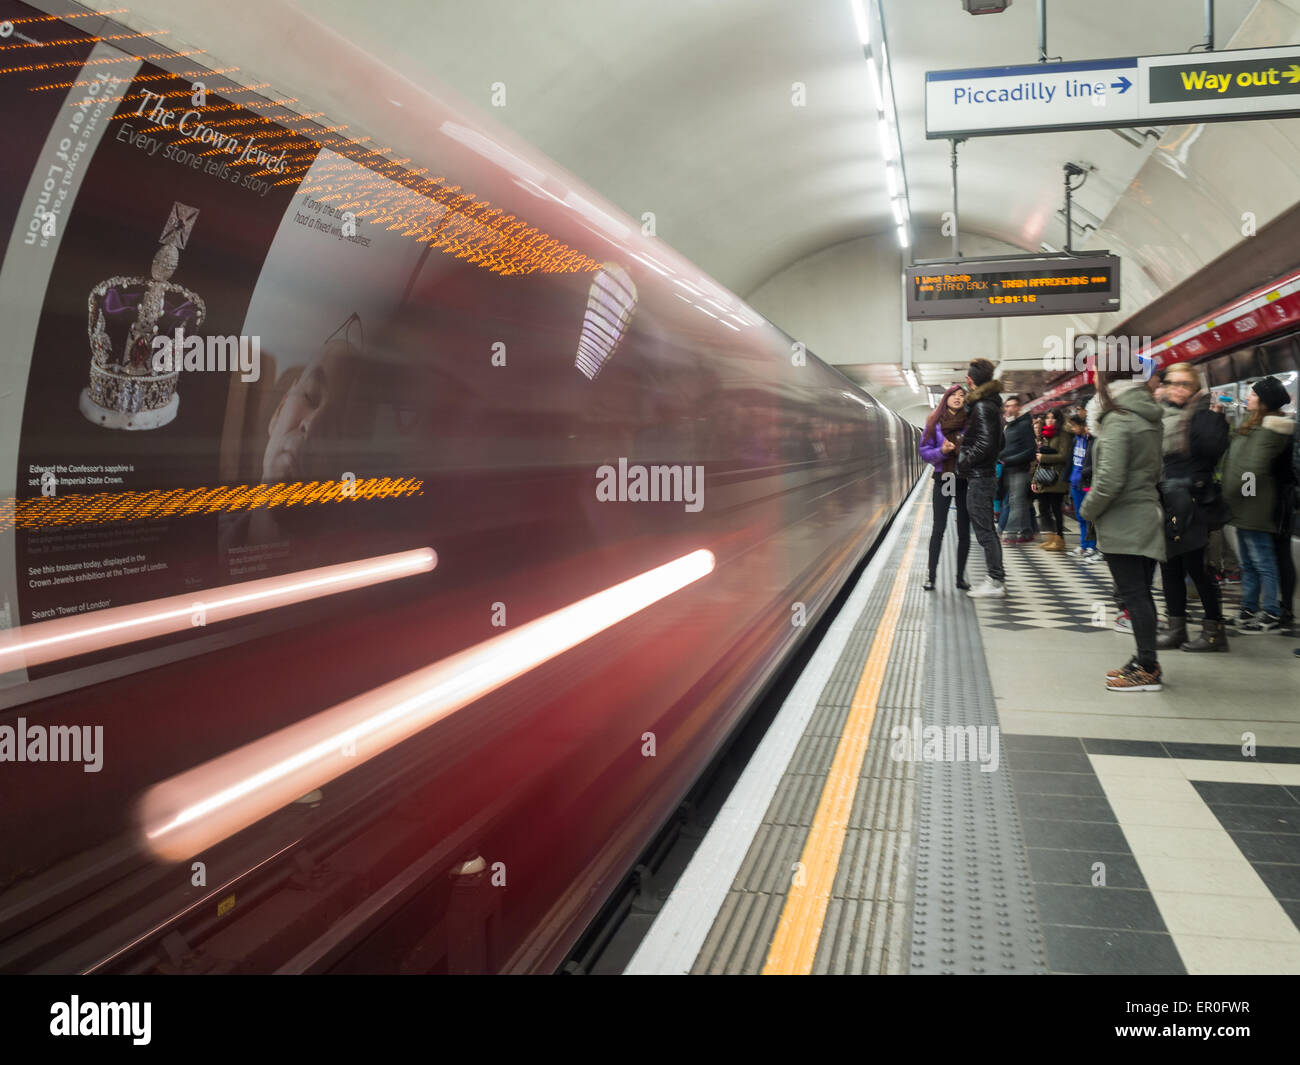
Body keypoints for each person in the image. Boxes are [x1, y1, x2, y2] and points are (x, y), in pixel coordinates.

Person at [1080, 367, 1166, 691]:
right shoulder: (1148, 416)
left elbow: (1109, 480)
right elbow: (1157, 469)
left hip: (1125, 520)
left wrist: (1087, 511)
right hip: (1145, 512)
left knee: (1135, 596)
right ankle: (1146, 661)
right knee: (1141, 594)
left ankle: (1147, 670)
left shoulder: (1119, 419)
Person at [1151, 362, 1231, 652]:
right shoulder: (1168, 415)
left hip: (1194, 502)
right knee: (1169, 565)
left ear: (1196, 388)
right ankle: (1176, 629)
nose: (1177, 388)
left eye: (1184, 384)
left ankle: (1213, 632)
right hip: (1170, 498)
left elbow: (1212, 451)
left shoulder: (1204, 415)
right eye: (1172, 382)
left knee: (1197, 568)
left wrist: (1212, 415)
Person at [1223, 376, 1295, 632]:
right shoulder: (1252, 424)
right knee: (1247, 563)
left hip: (1254, 504)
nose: (1249, 397)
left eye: (1253, 394)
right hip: (1244, 504)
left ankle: (1272, 611)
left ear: (1264, 401)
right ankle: (1249, 607)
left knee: (1263, 561)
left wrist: (1242, 493)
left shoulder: (1271, 430)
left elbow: (1253, 468)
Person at [956, 359, 1006, 598]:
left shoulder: (983, 407)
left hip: (980, 476)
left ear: (970, 381)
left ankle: (996, 580)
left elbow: (986, 444)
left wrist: (964, 459)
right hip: (984, 474)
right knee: (986, 528)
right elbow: (1000, 442)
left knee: (985, 529)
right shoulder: (992, 405)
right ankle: (995, 577)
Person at [917, 384, 970, 591]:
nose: (958, 398)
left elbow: (977, 447)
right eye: (954, 395)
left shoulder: (970, 423)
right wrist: (942, 451)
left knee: (964, 529)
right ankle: (931, 576)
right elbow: (924, 452)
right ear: (946, 398)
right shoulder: (934, 422)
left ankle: (960, 578)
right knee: (939, 527)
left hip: (964, 478)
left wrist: (963, 450)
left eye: (962, 395)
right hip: (946, 477)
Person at [1029, 408, 1070, 551]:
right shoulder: (1046, 435)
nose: (1050, 420)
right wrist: (1035, 480)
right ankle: (1051, 537)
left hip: (1057, 478)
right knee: (1044, 508)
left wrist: (1044, 457)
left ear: (1058, 420)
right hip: (1045, 478)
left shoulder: (1063, 435)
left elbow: (1064, 456)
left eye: (1053, 418)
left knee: (1056, 509)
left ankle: (1060, 539)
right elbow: (1039, 462)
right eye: (1048, 418)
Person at [998, 396, 1036, 545]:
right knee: (1020, 502)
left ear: (1019, 407)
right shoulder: (1010, 425)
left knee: (1016, 502)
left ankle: (1011, 533)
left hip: (1020, 470)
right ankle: (1027, 532)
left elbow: (1030, 450)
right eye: (1007, 406)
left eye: (1013, 406)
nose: (1009, 409)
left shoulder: (1025, 425)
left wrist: (1008, 459)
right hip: (1009, 469)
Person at [1065, 410, 1097, 559]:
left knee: (1089, 515)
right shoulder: (1075, 439)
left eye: (1074, 426)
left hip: (1087, 482)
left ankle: (1092, 545)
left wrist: (1086, 472)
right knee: (1079, 515)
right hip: (1075, 481)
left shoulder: (1092, 441)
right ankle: (1084, 544)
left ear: (1084, 426)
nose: (1072, 429)